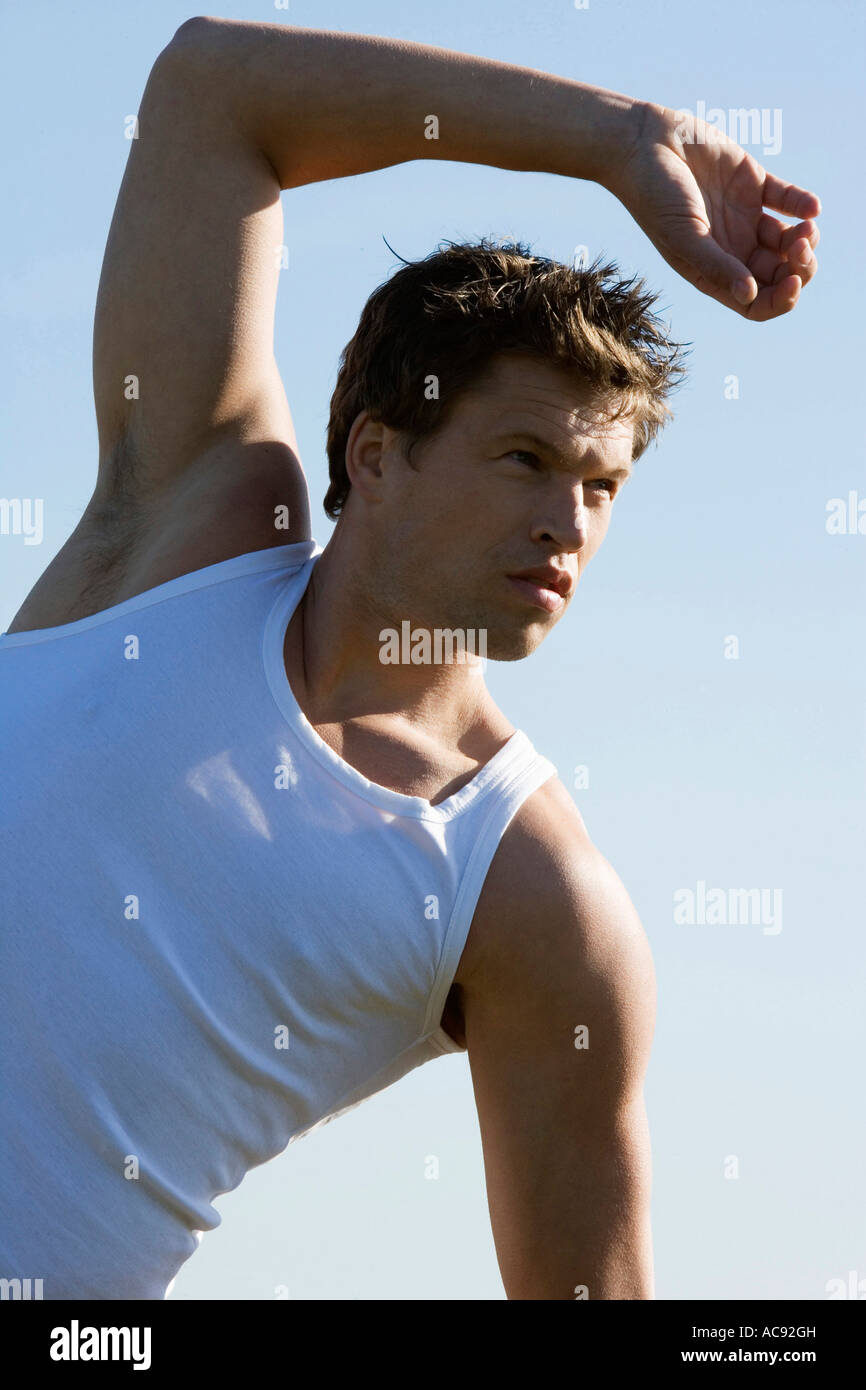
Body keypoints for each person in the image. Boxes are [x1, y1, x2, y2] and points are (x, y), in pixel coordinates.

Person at [0, 17, 820, 1301]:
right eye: (524, 461)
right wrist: (616, 141)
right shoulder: (188, 526)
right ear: (376, 457)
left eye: (603, 486)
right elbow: (212, 88)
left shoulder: (527, 892)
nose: (568, 522)